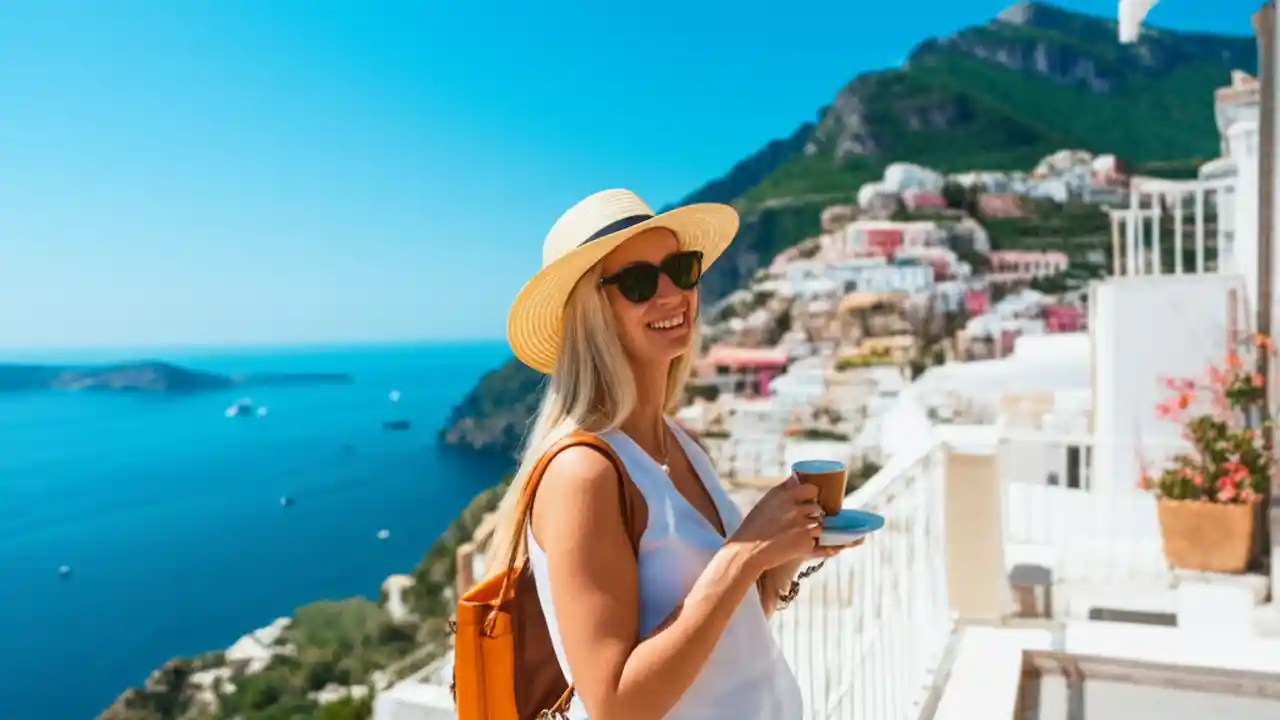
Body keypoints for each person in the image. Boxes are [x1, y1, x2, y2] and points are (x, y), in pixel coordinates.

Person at [495, 188, 863, 719]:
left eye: (680, 269)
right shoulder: (584, 472)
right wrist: (744, 553)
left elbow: (723, 626)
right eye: (638, 282)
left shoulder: (680, 443)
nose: (671, 293)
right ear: (591, 314)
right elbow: (614, 704)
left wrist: (782, 552)